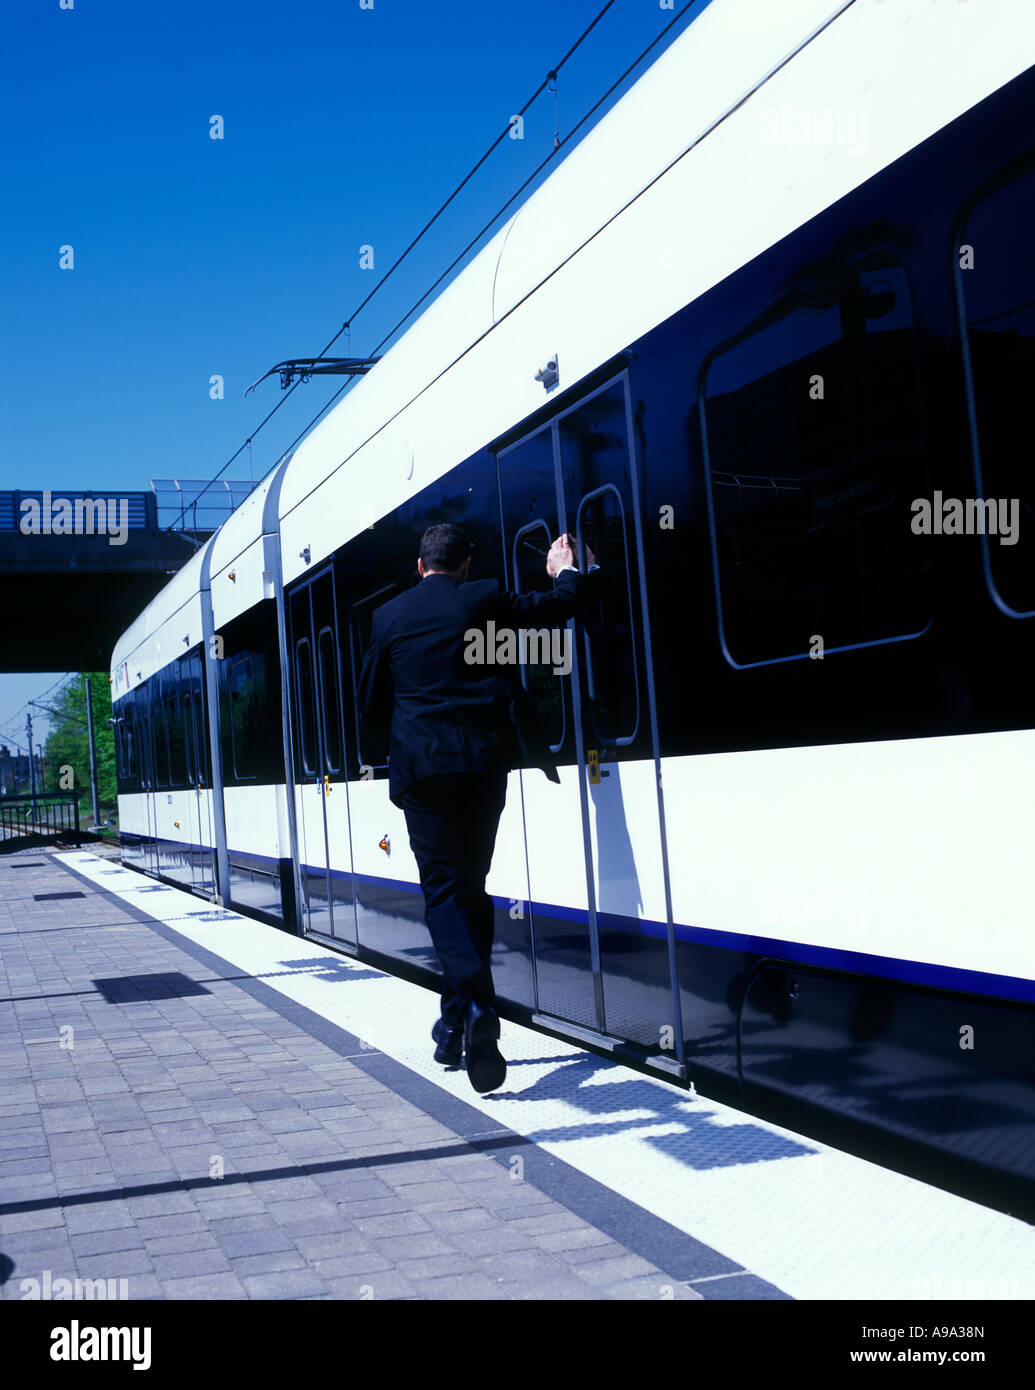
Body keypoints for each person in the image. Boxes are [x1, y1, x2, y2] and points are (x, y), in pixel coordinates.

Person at [357, 523, 588, 1093]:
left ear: (419, 566)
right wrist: (564, 571)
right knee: (472, 889)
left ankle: (479, 1009)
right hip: (483, 768)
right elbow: (561, 607)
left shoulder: (387, 618)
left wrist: (377, 751)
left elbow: (370, 703)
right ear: (465, 564)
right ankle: (454, 1023)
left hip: (423, 773)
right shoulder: (484, 597)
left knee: (443, 894)